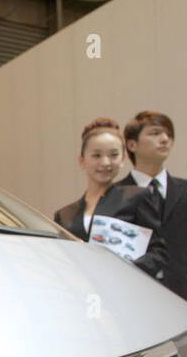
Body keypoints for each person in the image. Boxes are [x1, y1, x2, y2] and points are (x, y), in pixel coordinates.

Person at [115, 110, 187, 315]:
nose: (164, 140)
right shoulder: (116, 195)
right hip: (137, 297)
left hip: (185, 295)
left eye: (169, 135)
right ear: (132, 144)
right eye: (155, 133)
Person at [53, 116, 167, 281]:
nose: (105, 162)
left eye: (113, 155)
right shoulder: (64, 215)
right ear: (82, 161)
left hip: (126, 290)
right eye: (96, 155)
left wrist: (128, 269)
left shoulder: (137, 197)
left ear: (122, 160)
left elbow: (158, 253)